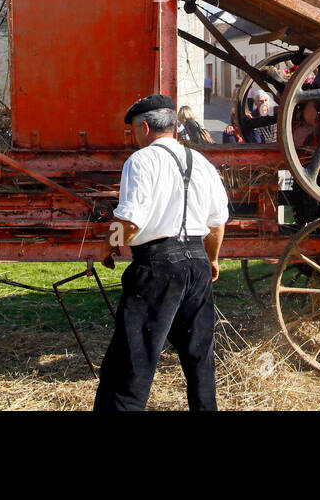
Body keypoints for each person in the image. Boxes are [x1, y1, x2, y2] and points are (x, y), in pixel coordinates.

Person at [94, 93, 229, 412]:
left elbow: (128, 219)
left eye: (132, 132)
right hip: (197, 265)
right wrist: (211, 258)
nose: (133, 139)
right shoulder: (202, 163)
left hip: (157, 266)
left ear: (144, 127)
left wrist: (107, 247)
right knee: (200, 360)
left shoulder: (140, 162)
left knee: (131, 361)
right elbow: (218, 222)